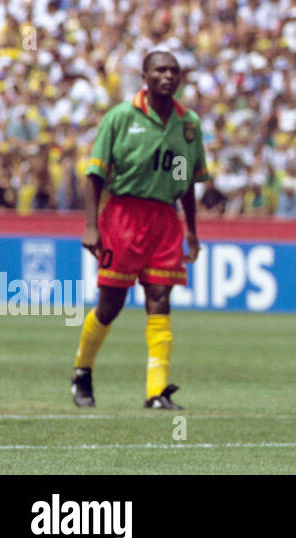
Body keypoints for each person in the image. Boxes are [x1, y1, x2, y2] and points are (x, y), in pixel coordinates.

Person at [71, 51, 209, 409]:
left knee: (160, 298)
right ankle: (82, 370)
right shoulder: (121, 117)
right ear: (144, 76)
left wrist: (191, 230)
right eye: (160, 70)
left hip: (165, 218)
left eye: (174, 71)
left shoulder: (188, 124)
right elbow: (95, 175)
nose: (168, 76)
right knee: (110, 305)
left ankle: (156, 391)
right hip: (123, 215)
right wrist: (91, 226)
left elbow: (184, 180)